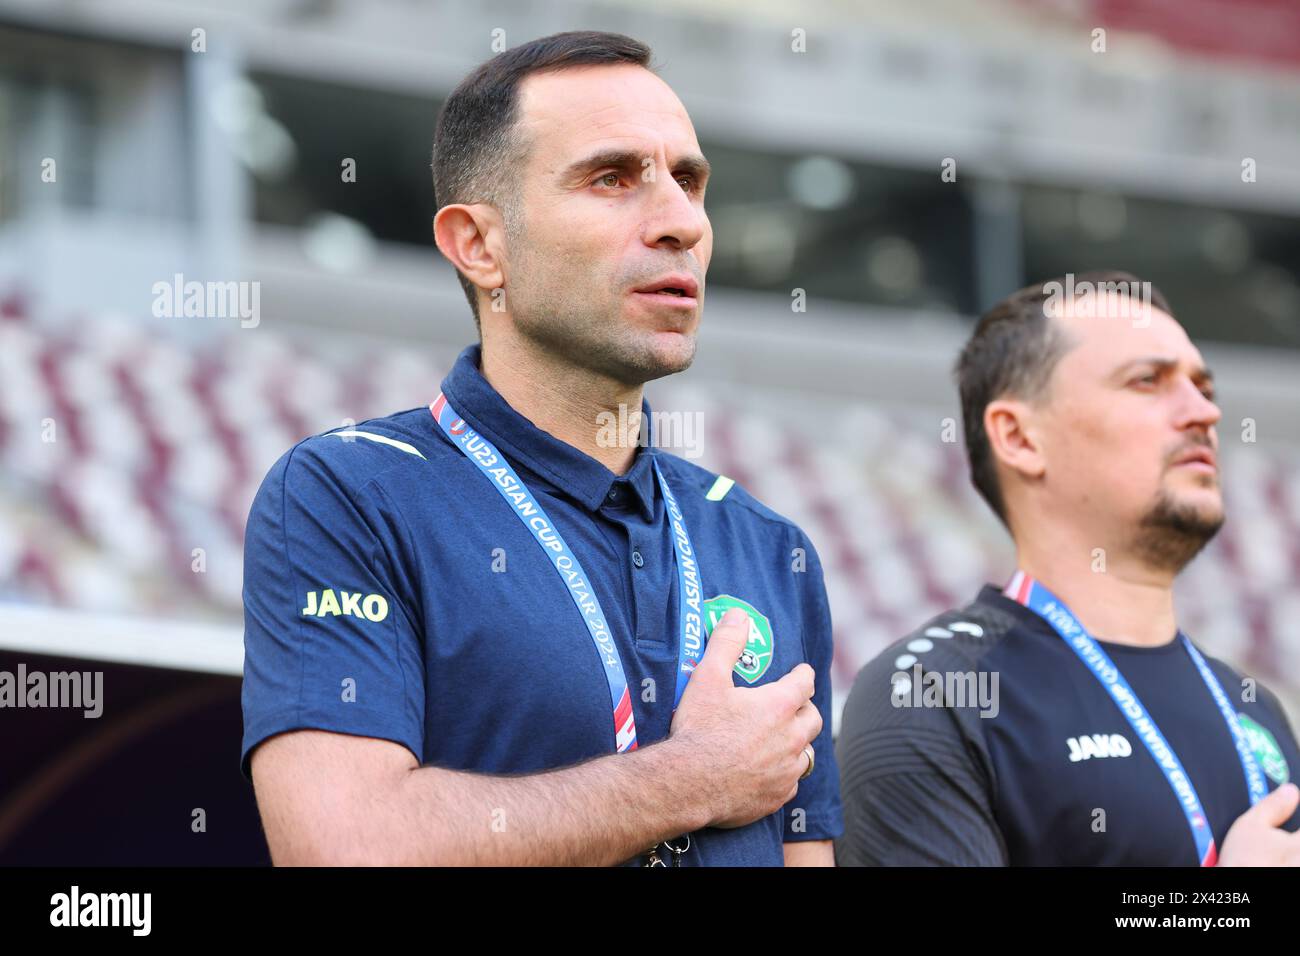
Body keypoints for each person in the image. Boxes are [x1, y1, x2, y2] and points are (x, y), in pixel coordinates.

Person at [240, 31, 840, 866]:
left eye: (689, 181)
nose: (680, 224)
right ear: (480, 246)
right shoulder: (351, 494)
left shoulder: (770, 547)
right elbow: (346, 848)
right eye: (612, 178)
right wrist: (696, 777)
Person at [836, 271, 1300, 866]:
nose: (1202, 411)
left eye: (1202, 386)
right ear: (1020, 437)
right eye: (1148, 381)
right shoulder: (932, 693)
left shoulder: (1253, 708)